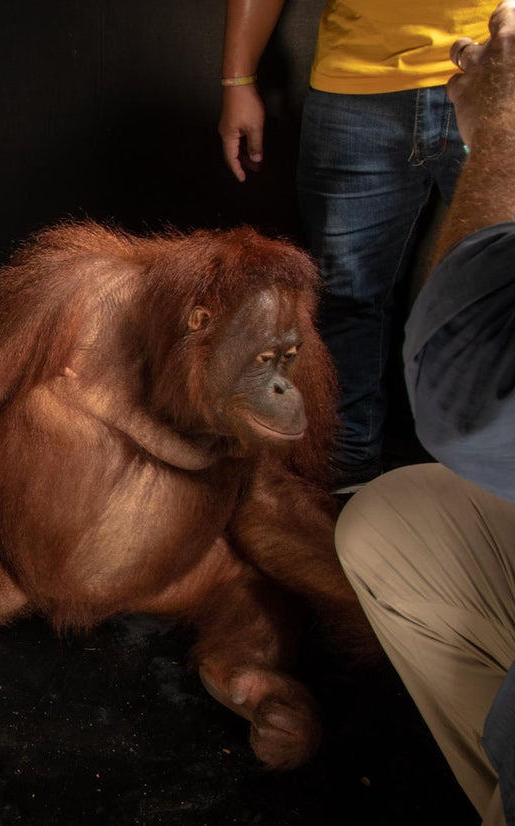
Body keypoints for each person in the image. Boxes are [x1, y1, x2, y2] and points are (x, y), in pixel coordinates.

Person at [334, 2, 515, 823]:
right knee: (380, 514)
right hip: (366, 83)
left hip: (472, 92)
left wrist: (501, 129)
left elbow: (464, 397)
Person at [219, 0, 492, 492]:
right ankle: (346, 486)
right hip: (357, 89)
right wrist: (237, 81)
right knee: (345, 297)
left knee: (502, 291)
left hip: (492, 68)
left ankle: (495, 489)